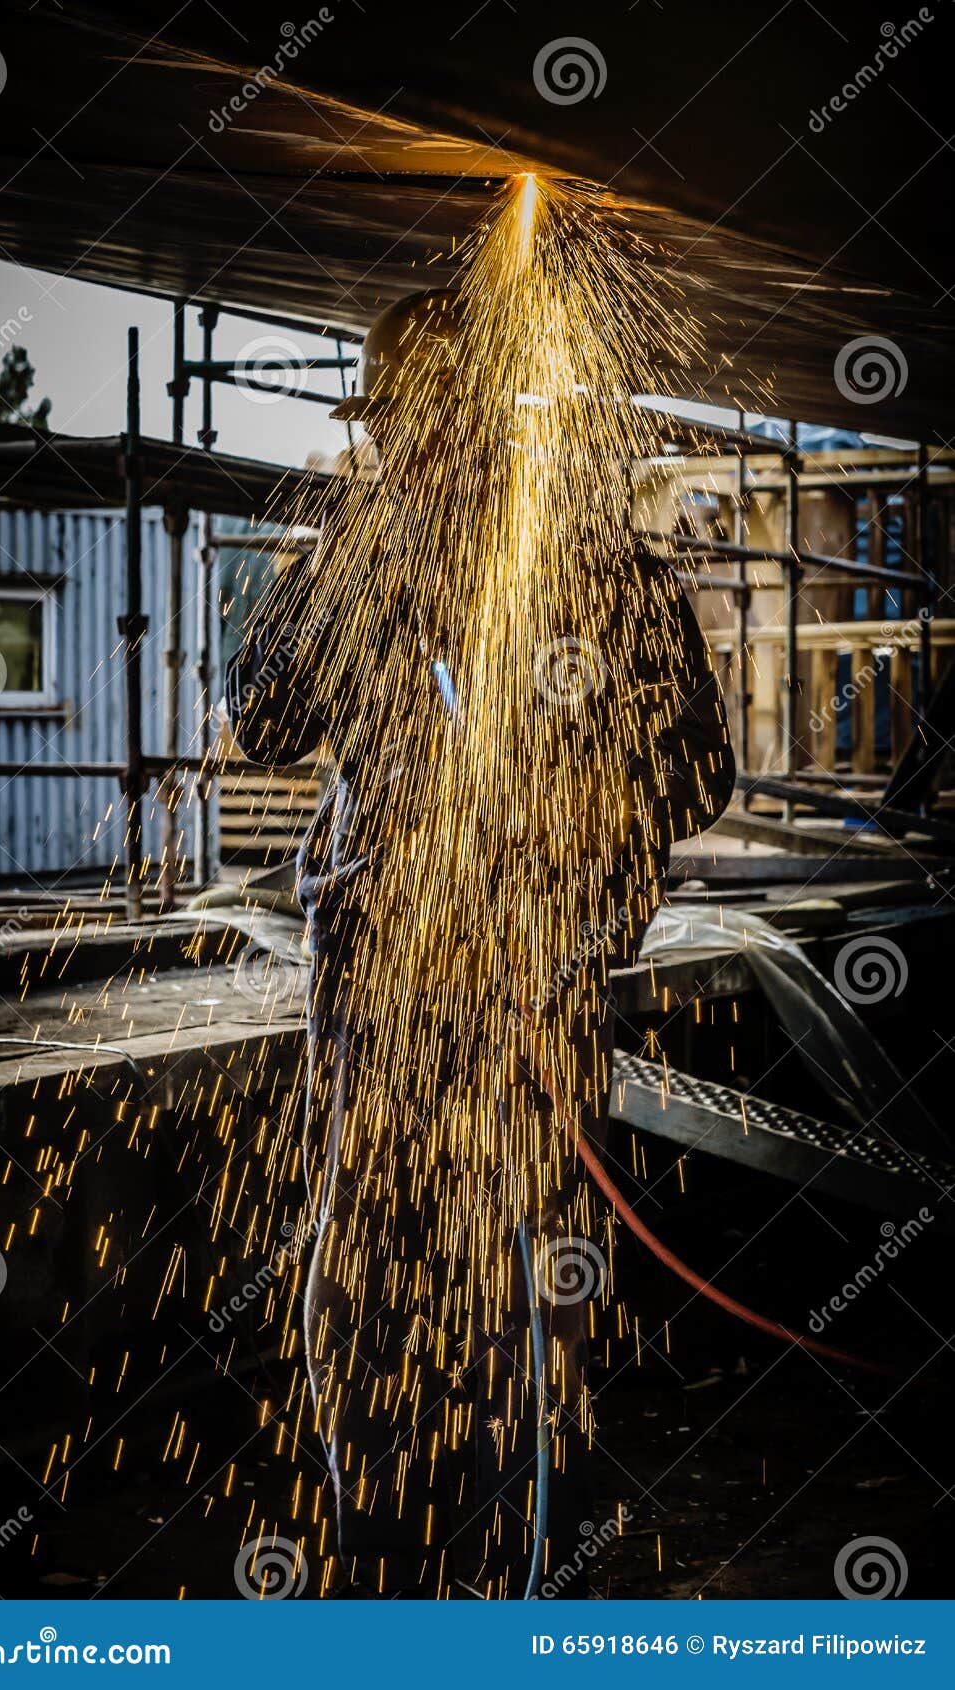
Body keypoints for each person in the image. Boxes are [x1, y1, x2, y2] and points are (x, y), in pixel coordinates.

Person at [226, 290, 735, 1598]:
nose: (421, 448)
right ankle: (380, 1557)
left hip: (535, 973)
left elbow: (698, 768)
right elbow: (265, 721)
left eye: (439, 422)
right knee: (367, 1252)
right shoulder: (360, 559)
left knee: (538, 1262)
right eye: (399, 430)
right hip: (381, 968)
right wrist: (342, 569)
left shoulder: (590, 563)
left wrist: (591, 842)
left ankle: (538, 1564)